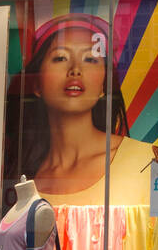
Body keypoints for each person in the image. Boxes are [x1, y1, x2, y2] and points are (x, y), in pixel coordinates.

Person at [16, 12, 150, 204]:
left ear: (104, 85)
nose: (75, 69)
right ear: (36, 84)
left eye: (90, 59)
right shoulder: (23, 175)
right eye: (60, 58)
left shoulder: (145, 162)